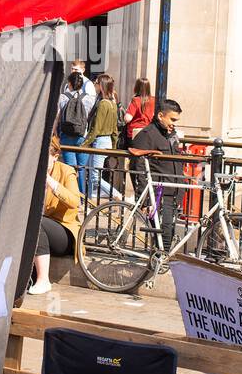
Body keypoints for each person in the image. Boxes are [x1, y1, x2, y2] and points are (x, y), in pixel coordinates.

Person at [129, 98, 187, 252]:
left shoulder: (171, 135)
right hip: (159, 194)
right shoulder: (147, 135)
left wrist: (181, 192)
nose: (174, 123)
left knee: (168, 234)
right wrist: (145, 199)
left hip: (173, 192)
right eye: (172, 119)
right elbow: (138, 169)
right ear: (161, 116)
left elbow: (177, 165)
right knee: (164, 236)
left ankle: (158, 262)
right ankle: (159, 263)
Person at [29, 137, 82, 295]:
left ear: (56, 156)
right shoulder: (33, 173)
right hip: (42, 230)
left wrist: (52, 183)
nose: (41, 163)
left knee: (37, 223)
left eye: (45, 159)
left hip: (65, 232)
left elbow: (75, 202)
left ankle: (44, 279)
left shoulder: (66, 171)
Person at [80, 73, 119, 199]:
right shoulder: (112, 103)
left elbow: (96, 128)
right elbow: (114, 130)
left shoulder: (103, 104)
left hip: (100, 141)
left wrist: (84, 144)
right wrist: (113, 147)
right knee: (93, 174)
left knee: (95, 176)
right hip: (105, 141)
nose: (95, 85)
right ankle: (89, 200)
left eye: (96, 83)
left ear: (101, 86)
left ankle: (118, 195)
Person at [56, 69, 94, 181]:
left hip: (66, 135)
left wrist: (54, 132)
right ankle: (81, 198)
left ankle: (71, 196)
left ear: (69, 83)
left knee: (70, 169)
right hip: (82, 135)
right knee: (81, 169)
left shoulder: (62, 97)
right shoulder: (89, 99)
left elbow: (57, 117)